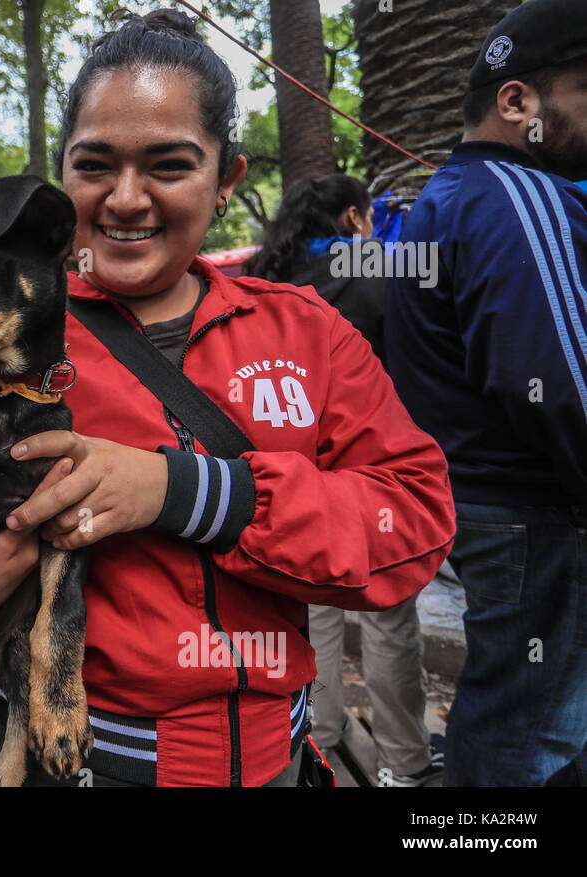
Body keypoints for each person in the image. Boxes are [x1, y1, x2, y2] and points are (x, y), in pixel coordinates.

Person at [0, 9, 455, 786]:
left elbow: (415, 520)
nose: (125, 198)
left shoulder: (306, 333)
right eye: (95, 165)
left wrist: (185, 489)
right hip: (45, 758)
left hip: (270, 765)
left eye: (169, 164)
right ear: (61, 180)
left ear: (227, 181)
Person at [384, 0, 587, 786]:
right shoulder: (515, 194)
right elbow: (564, 385)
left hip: (491, 511)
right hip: (539, 514)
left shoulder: (453, 194)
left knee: (522, 717)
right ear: (517, 103)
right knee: (525, 737)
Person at [246, 174, 442, 785]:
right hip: (368, 475)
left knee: (312, 608)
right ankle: (405, 762)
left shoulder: (268, 273)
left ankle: (320, 735)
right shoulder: (375, 267)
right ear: (355, 217)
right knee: (388, 618)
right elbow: (411, 362)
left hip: (291, 476)